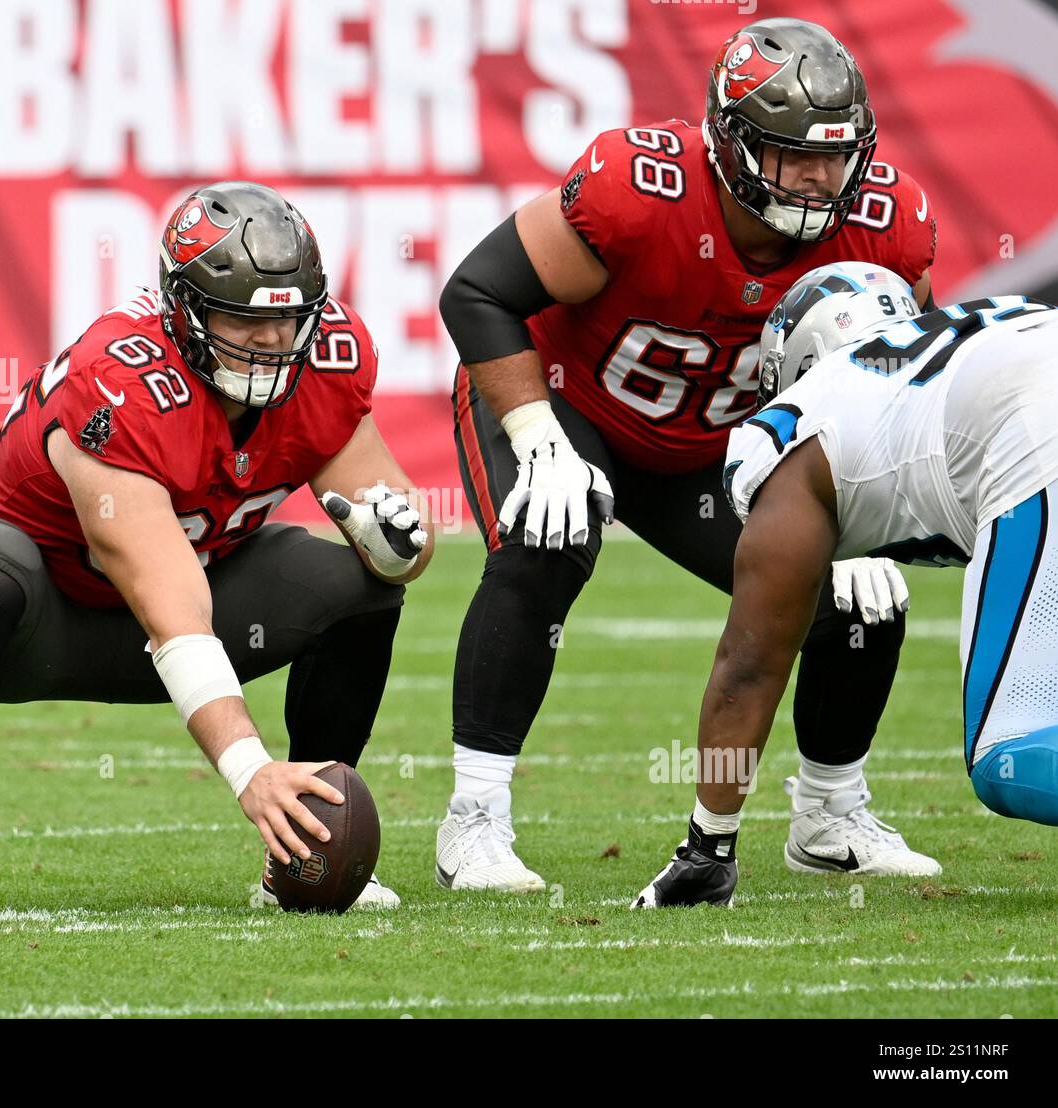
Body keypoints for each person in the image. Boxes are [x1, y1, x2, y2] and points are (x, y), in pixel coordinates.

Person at [435, 17, 940, 893]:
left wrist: (870, 520)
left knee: (861, 601)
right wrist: (539, 438)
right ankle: (472, 822)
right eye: (793, 154)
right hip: (570, 404)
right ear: (733, 142)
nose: (822, 177)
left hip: (718, 444)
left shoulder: (884, 224)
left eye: (837, 153)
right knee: (547, 540)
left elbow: (898, 379)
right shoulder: (642, 189)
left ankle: (829, 813)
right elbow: (477, 294)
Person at [0, 182, 433, 916]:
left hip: (196, 600)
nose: (275, 343)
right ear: (184, 311)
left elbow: (398, 524)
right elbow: (170, 606)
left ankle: (304, 840)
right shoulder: (120, 382)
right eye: (244, 320)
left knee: (359, 586)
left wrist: (398, 545)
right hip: (35, 616)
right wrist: (252, 771)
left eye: (288, 321)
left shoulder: (328, 362)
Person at [634, 262, 1058, 907]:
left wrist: (707, 846)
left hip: (1034, 426)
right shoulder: (970, 330)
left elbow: (750, 661)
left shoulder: (788, 433)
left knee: (1011, 758)